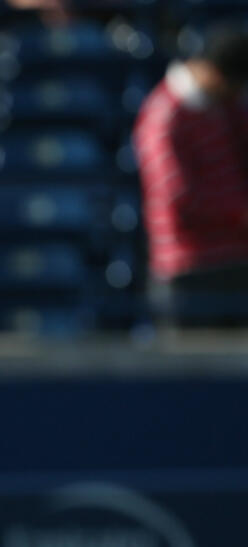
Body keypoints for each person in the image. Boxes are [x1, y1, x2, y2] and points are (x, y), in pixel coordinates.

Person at [134, 27, 248, 328]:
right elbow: (178, 196)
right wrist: (241, 212)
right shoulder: (164, 116)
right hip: (188, 272)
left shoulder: (228, 108)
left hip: (237, 262)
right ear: (213, 72)